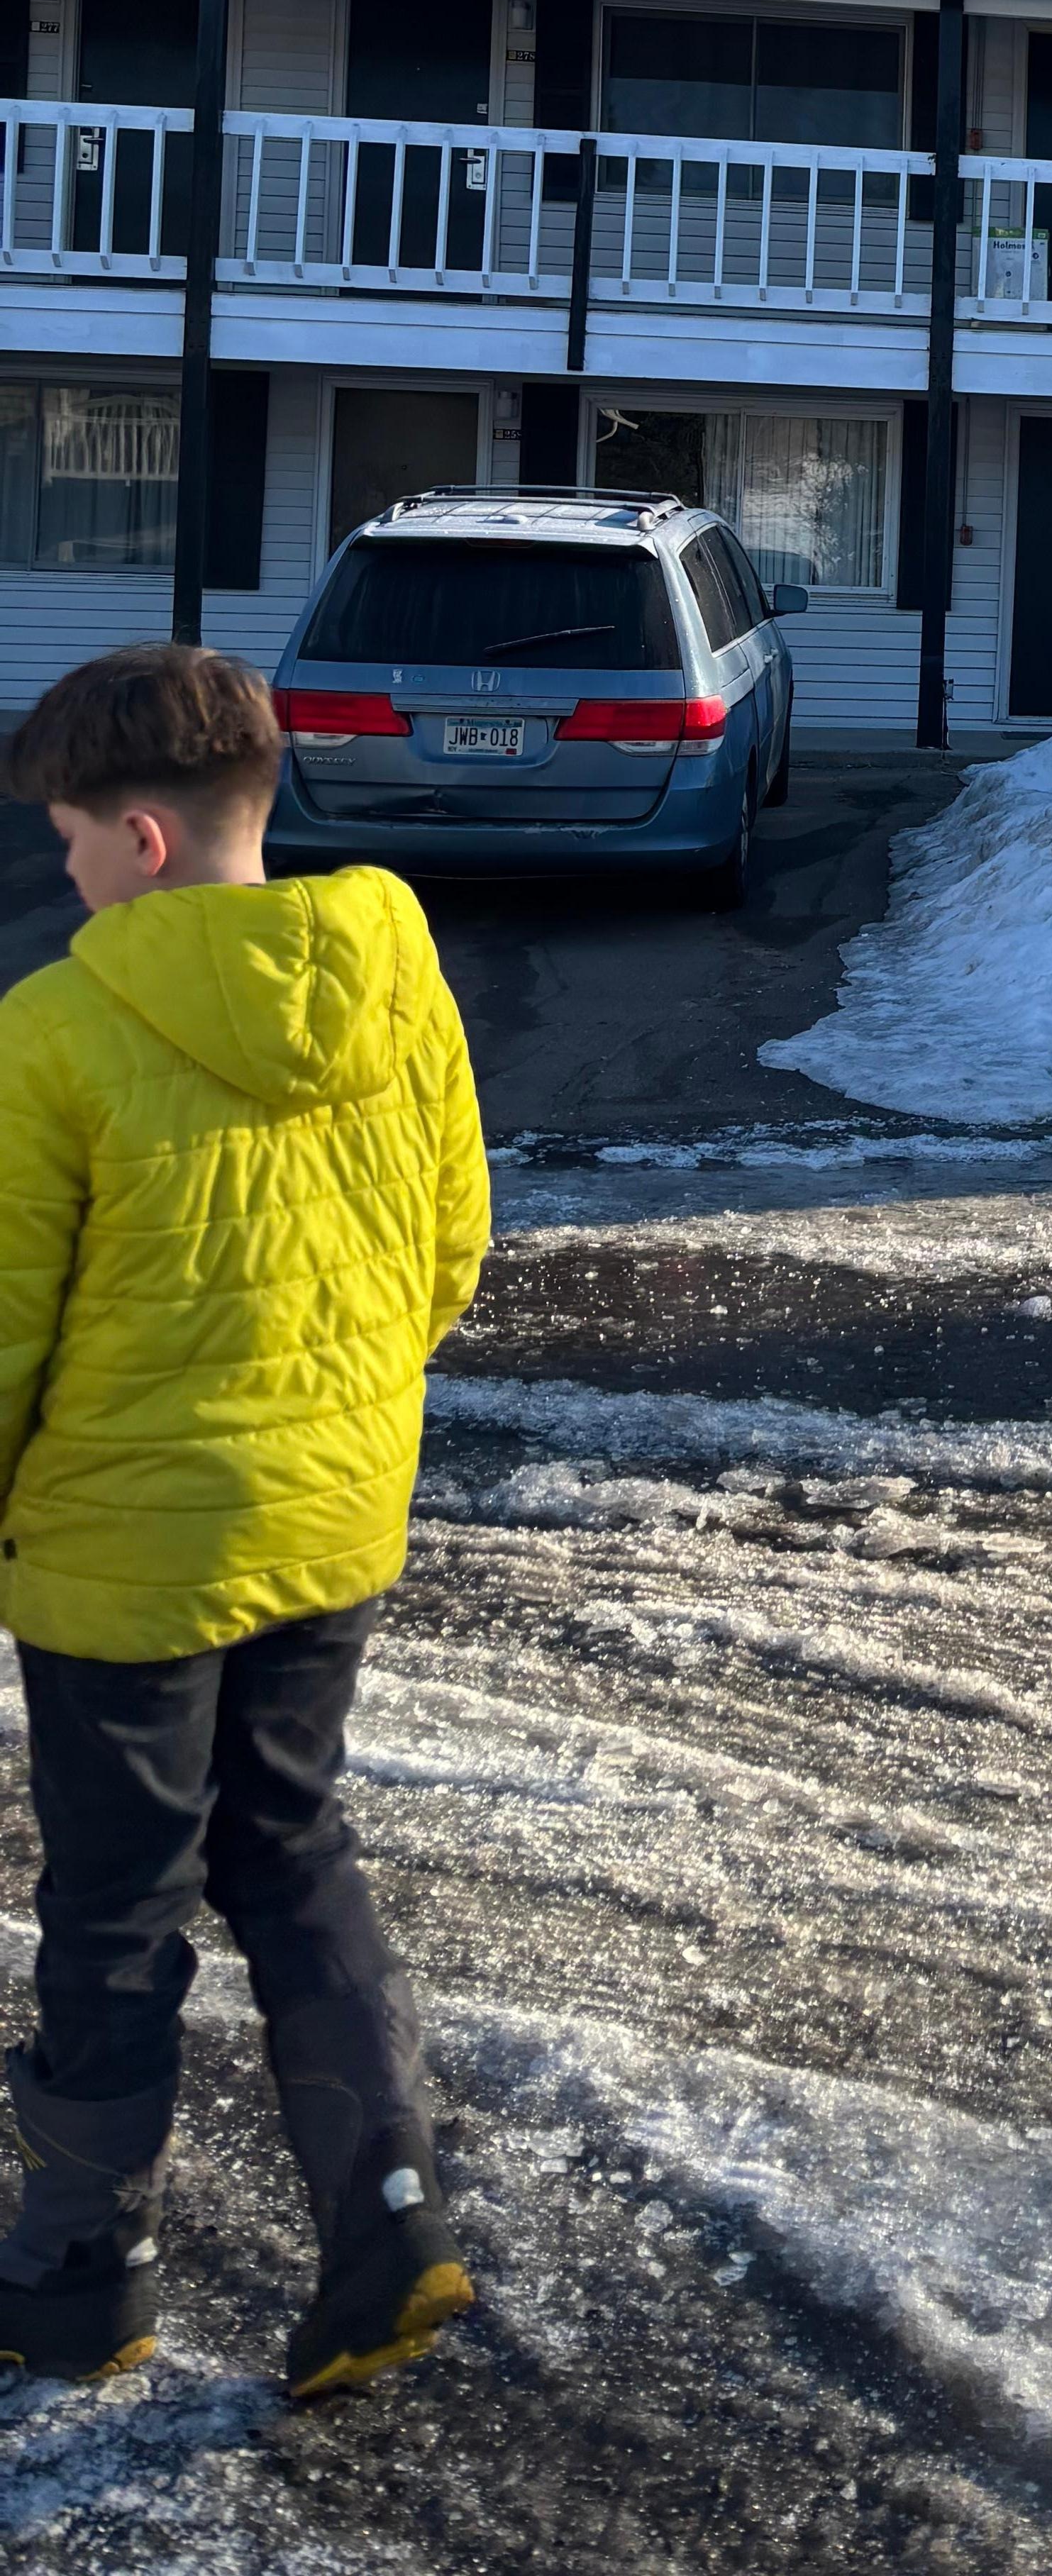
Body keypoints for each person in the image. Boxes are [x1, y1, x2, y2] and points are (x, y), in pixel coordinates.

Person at [0, 642, 487, 2398]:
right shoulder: (396, 968)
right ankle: (393, 2227)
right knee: (290, 1850)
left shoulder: (55, 1028)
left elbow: (4, 1329)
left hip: (123, 1562)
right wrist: (333, 1423)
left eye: (63, 839)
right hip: (331, 1523)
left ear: (137, 836)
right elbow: (448, 1250)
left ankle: (77, 2285)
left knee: (118, 1911)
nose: (58, 873)